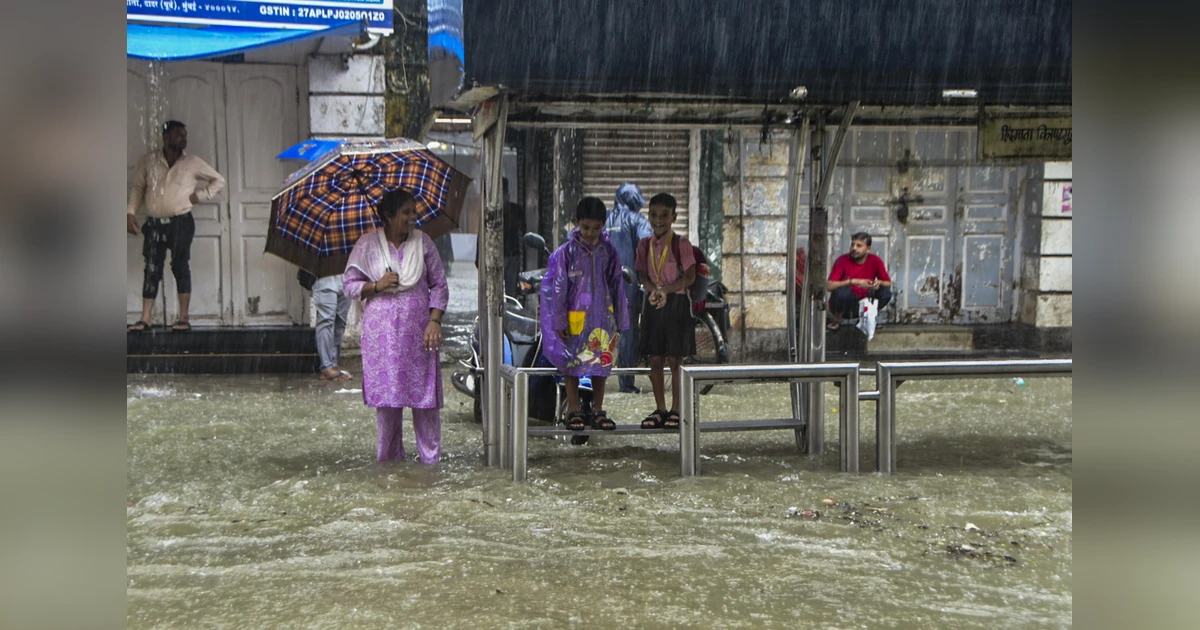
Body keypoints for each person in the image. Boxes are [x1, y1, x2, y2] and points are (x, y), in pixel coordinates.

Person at [343, 189, 449, 463]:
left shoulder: (423, 243)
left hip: (419, 336)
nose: (413, 217)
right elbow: (350, 285)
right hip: (383, 338)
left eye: (414, 211)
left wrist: (434, 320)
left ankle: (430, 465)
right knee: (388, 405)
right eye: (406, 213)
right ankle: (389, 468)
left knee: (425, 401)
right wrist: (376, 285)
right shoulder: (367, 245)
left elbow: (439, 283)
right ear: (388, 216)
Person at [127, 120, 225, 332]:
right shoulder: (149, 161)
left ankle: (183, 318)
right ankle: (145, 318)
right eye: (178, 134)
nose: (183, 138)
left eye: (184, 134)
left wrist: (199, 196)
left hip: (181, 222)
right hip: (154, 224)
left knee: (180, 266)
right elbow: (137, 188)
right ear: (166, 137)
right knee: (152, 267)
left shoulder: (193, 162)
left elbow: (218, 180)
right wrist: (130, 212)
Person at [540, 197, 628, 431]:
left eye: (596, 228)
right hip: (574, 318)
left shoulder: (609, 252)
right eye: (586, 227)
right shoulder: (565, 253)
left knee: (601, 364)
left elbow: (617, 285)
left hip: (603, 318)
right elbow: (558, 289)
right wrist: (558, 320)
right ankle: (573, 411)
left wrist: (621, 318)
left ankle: (598, 410)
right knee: (572, 365)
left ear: (603, 225)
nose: (590, 233)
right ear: (577, 222)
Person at [635, 193, 696, 431]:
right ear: (648, 216)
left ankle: (677, 409)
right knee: (655, 357)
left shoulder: (681, 244)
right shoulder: (644, 245)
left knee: (675, 359)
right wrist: (652, 291)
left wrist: (666, 291)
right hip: (653, 301)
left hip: (676, 303)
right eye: (653, 215)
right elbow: (642, 275)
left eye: (664, 215)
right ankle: (660, 408)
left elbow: (689, 277)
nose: (658, 220)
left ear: (674, 217)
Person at [604, 182, 653, 393]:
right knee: (628, 331)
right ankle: (626, 383)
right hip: (627, 285)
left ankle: (594, 380)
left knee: (599, 330)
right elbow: (649, 245)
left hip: (600, 285)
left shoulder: (602, 219)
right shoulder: (637, 220)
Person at [826, 232, 892, 331]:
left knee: (885, 292)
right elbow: (829, 286)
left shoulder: (875, 261)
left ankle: (868, 319)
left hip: (864, 304)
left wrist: (878, 283)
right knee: (842, 292)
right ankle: (837, 320)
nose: (854, 248)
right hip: (846, 306)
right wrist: (852, 281)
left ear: (868, 249)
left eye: (859, 246)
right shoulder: (842, 260)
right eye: (852, 244)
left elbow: (888, 283)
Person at [312, 272, 352, 381]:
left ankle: (334, 364)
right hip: (324, 277)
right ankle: (326, 367)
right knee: (326, 320)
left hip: (346, 276)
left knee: (340, 322)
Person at [502, 177, 527, 296]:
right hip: (496, 256)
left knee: (511, 292)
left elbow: (523, 229)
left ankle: (510, 312)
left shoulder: (515, 210)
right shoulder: (491, 212)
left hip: (512, 255)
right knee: (491, 292)